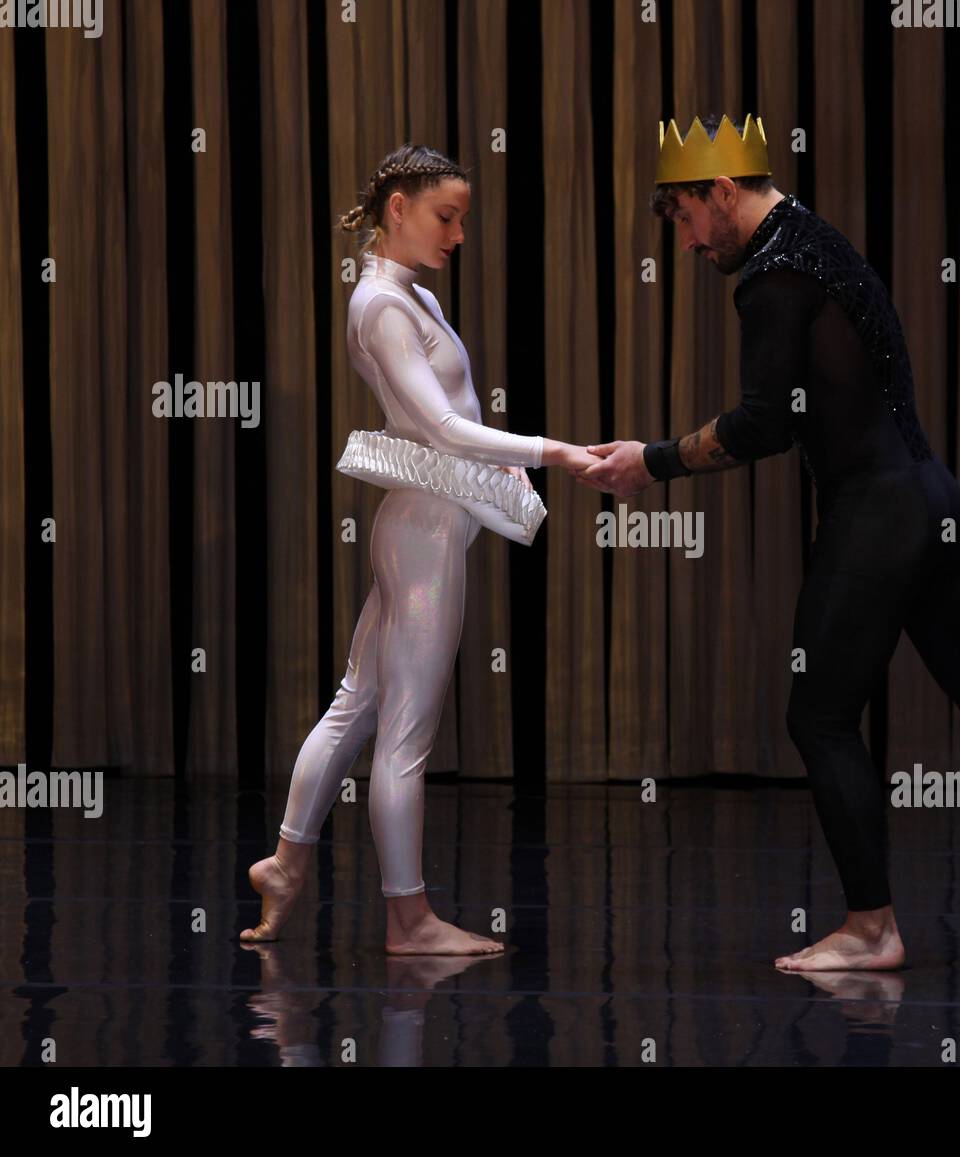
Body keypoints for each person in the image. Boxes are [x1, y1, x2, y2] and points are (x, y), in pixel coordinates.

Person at [575, 113, 960, 970]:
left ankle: (872, 926)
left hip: (875, 518)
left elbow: (764, 425)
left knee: (819, 715)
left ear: (722, 191)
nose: (690, 242)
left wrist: (649, 464)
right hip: (930, 500)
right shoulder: (819, 238)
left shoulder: (771, 276)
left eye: (687, 217)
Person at [240, 144, 601, 954]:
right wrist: (557, 451)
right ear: (396, 208)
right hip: (428, 533)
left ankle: (287, 862)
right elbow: (438, 427)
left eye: (462, 216)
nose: (459, 233)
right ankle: (410, 921)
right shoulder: (382, 304)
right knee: (404, 733)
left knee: (356, 704)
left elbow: (447, 419)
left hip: (427, 520)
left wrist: (510, 458)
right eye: (447, 215)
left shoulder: (404, 293)